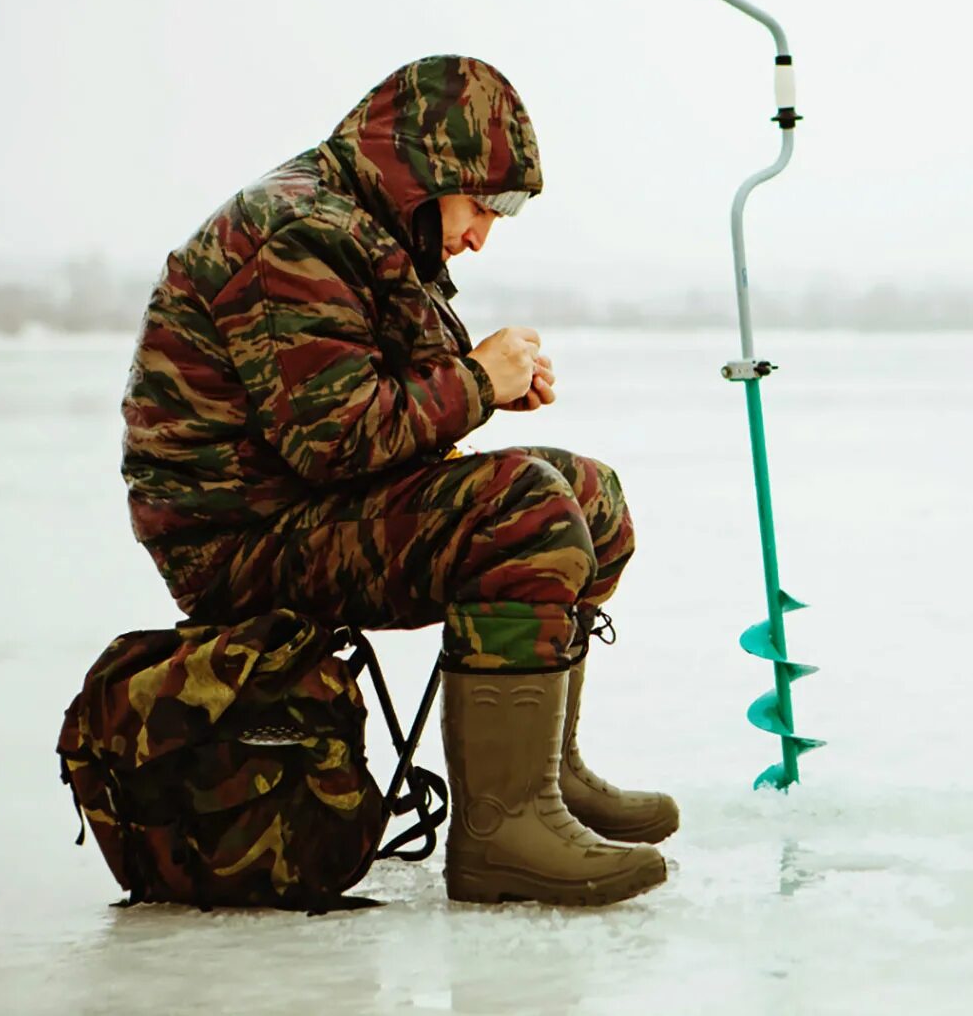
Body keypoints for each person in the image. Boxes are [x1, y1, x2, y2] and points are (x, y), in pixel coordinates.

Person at [119, 54, 674, 906]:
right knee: (526, 508)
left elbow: (367, 392)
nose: (484, 233)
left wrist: (479, 384)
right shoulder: (297, 230)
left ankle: (544, 776)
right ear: (430, 170)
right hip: (240, 540)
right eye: (485, 204)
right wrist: (477, 381)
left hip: (306, 510)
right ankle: (502, 834)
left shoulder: (362, 225)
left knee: (590, 496)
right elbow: (333, 438)